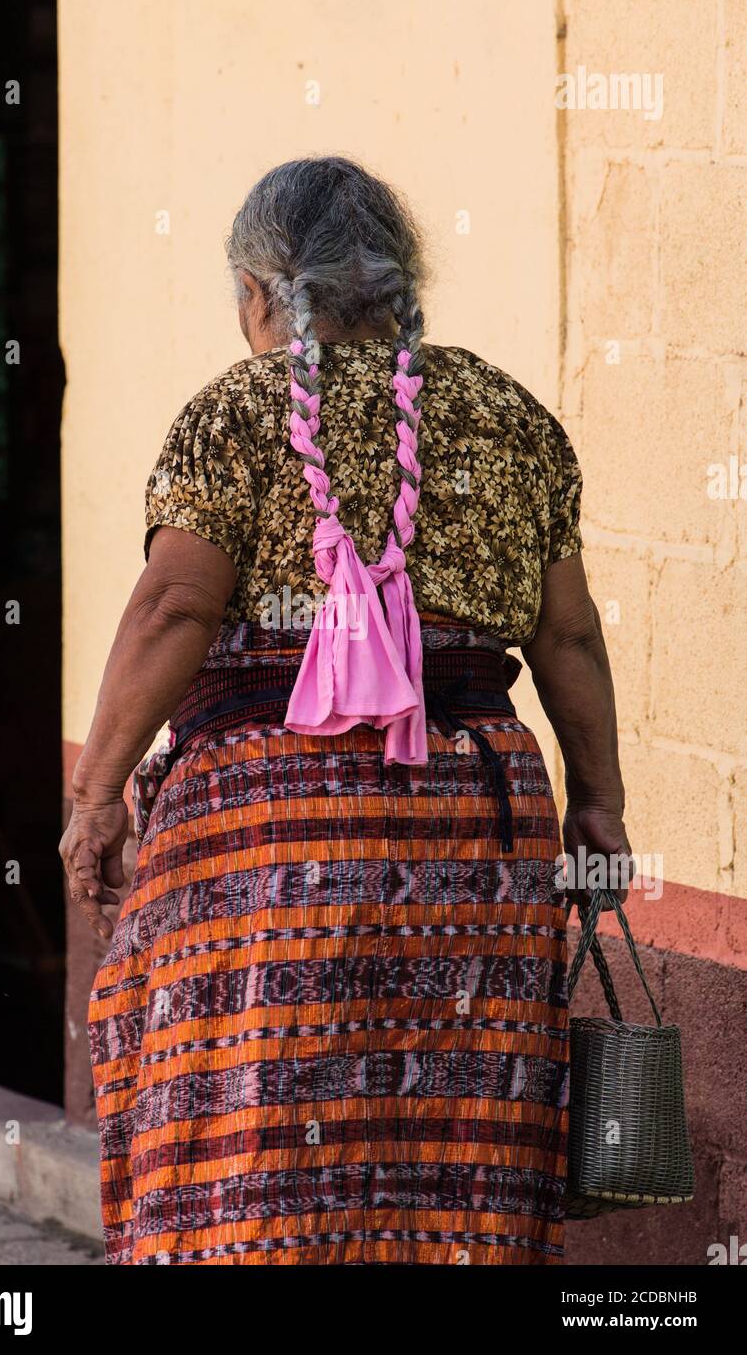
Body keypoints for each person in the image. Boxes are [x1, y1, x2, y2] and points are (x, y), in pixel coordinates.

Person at [60, 156, 630, 1266]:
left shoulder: (232, 415)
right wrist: (599, 802)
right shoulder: (506, 415)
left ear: (260, 294)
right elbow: (564, 633)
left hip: (262, 835)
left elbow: (175, 602)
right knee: (455, 1131)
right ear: (399, 282)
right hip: (472, 821)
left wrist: (94, 799)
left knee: (235, 1109)